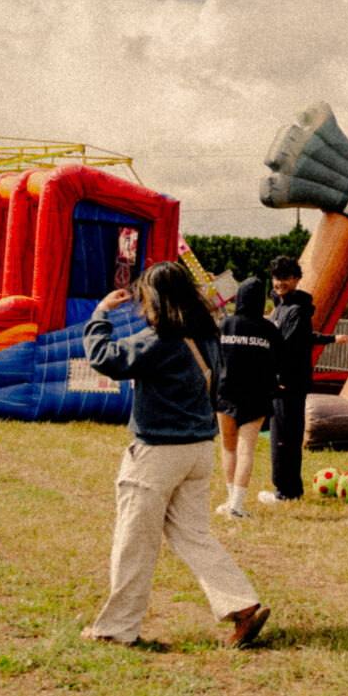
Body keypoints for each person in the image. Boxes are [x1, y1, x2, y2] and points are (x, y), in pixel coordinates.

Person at [82, 260, 270, 648]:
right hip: (199, 450)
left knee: (134, 541)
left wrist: (101, 313)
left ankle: (117, 630)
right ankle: (242, 606)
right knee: (194, 536)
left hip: (158, 454)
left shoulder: (159, 341)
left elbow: (104, 358)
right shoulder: (206, 337)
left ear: (153, 298)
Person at [259, 256, 346, 504]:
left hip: (287, 383)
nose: (279, 283)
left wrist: (277, 375)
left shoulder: (295, 310)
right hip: (284, 382)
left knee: (283, 438)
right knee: (286, 436)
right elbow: (306, 338)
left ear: (296, 279)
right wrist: (331, 338)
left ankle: (284, 492)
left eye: (285, 278)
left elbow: (286, 345)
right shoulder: (283, 307)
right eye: (276, 278)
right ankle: (291, 490)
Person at [214, 276, 279, 518]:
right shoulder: (269, 329)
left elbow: (214, 357)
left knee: (228, 448)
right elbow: (278, 360)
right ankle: (237, 506)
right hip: (256, 396)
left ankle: (230, 500)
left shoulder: (224, 324)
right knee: (246, 451)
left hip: (225, 393)